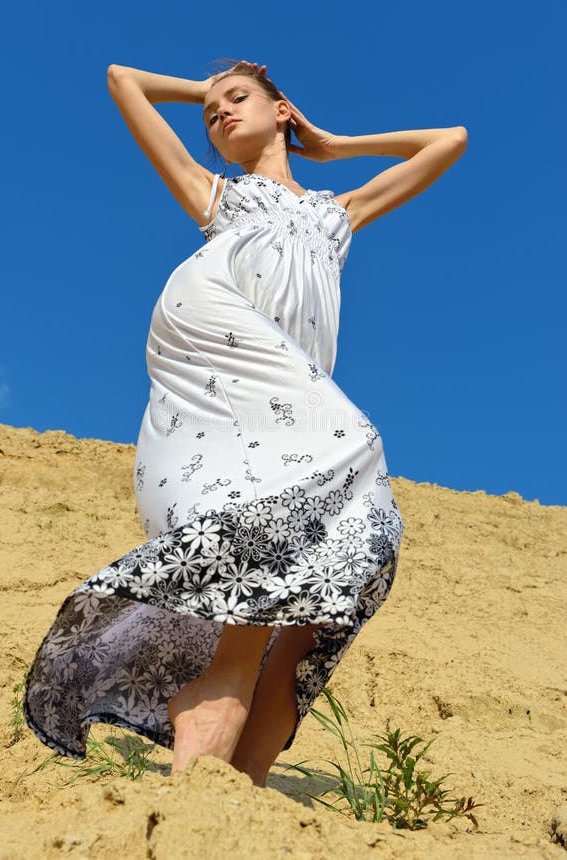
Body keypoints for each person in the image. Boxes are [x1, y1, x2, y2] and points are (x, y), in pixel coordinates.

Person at [23, 59, 467, 787]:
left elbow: (447, 140)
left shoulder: (337, 213)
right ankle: (207, 725)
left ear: (282, 110)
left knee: (330, 585)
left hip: (299, 421)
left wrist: (329, 144)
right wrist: (208, 91)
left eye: (237, 100)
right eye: (208, 112)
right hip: (228, 414)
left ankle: (242, 793)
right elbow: (118, 78)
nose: (218, 113)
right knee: (262, 585)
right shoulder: (219, 200)